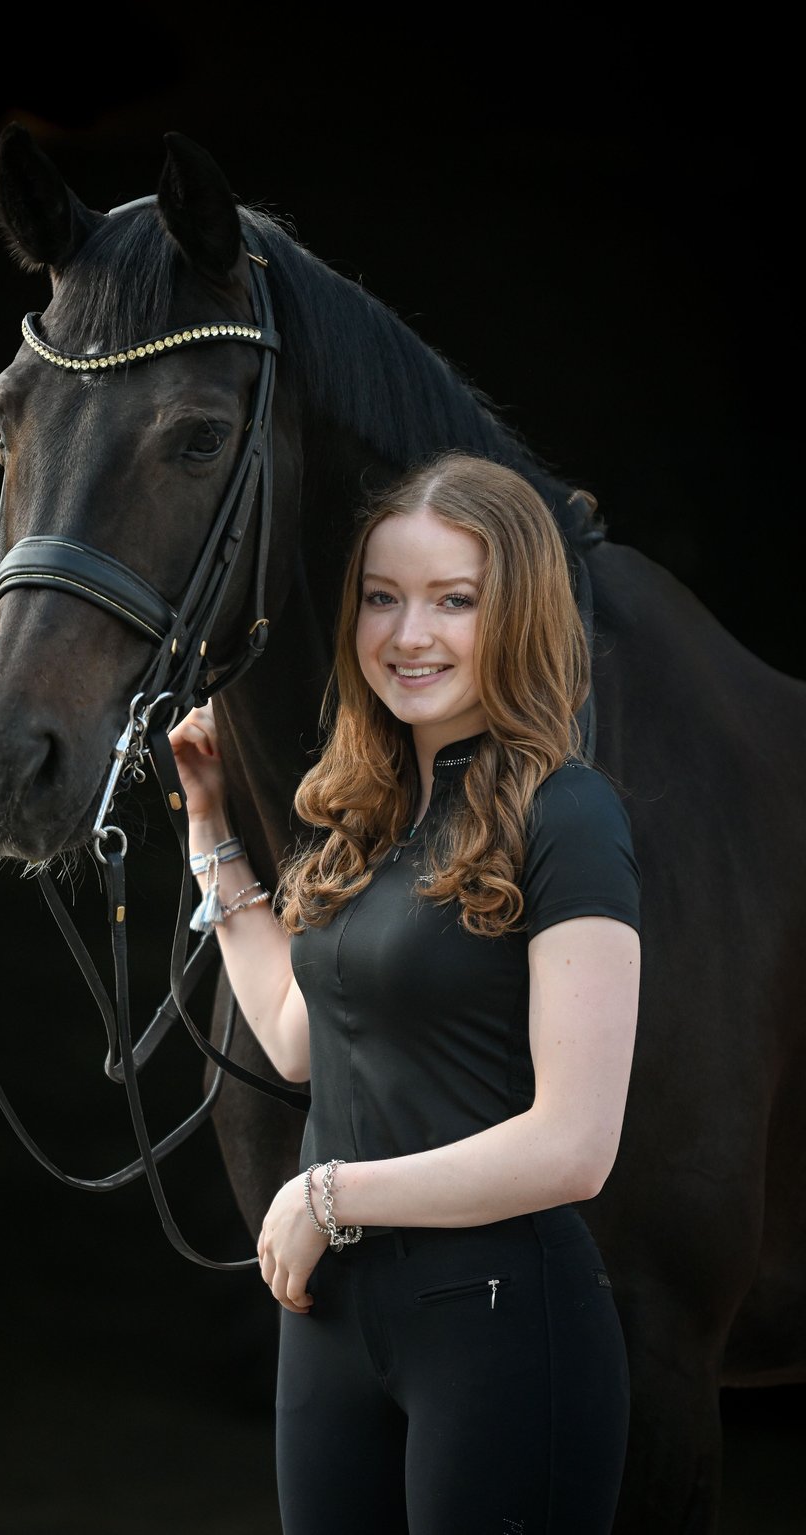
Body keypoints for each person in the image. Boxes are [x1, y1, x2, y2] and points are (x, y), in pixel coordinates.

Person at [168, 450, 641, 1535]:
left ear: (514, 611)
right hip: (331, 1324)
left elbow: (575, 1143)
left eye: (452, 600)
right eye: (382, 597)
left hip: (499, 1326)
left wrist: (323, 1195)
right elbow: (294, 1039)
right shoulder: (366, 820)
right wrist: (210, 832)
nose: (407, 633)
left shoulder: (568, 816)